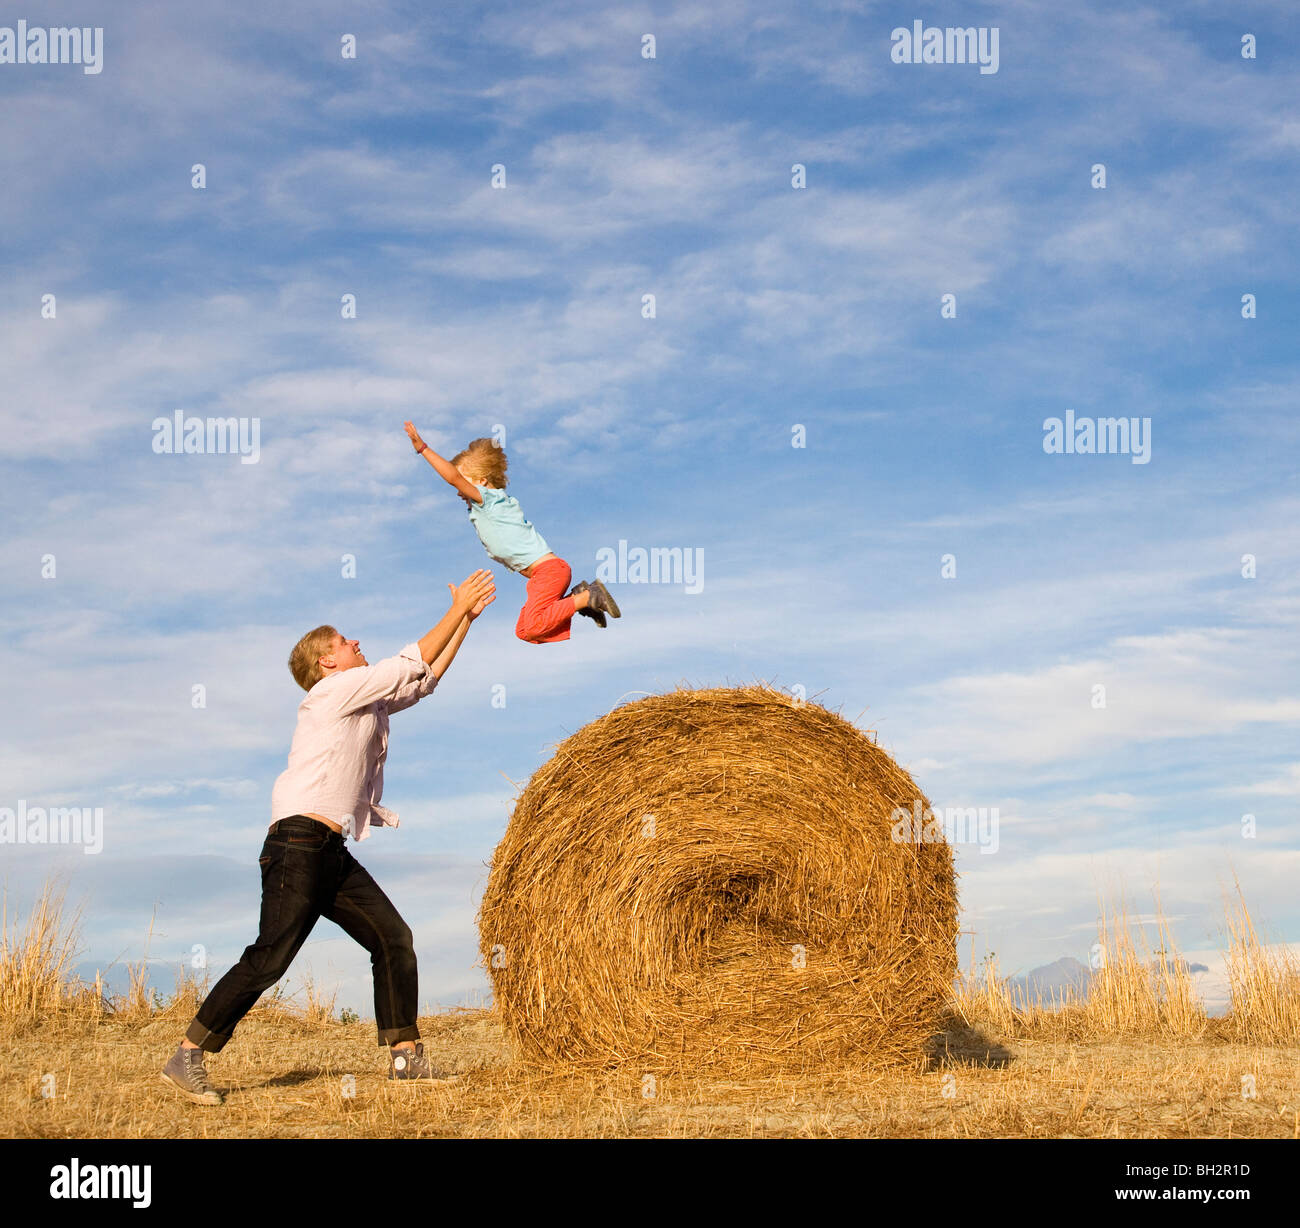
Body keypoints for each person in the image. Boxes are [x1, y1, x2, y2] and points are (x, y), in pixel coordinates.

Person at [161, 570, 496, 1105]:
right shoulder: (334, 692)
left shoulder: (362, 699)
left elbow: (422, 680)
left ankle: (406, 1058)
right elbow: (407, 661)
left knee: (392, 938)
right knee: (271, 957)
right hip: (298, 842)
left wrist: (466, 623)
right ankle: (188, 1055)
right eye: (345, 641)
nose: (357, 643)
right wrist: (456, 611)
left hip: (329, 849)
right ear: (327, 662)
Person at [403, 422, 620, 643]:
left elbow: (452, 477)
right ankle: (580, 597)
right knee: (524, 631)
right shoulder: (491, 504)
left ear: (482, 481)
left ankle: (587, 597)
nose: (459, 491)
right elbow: (456, 479)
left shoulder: (487, 499)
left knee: (534, 625)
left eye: (463, 483)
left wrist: (423, 448)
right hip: (543, 575)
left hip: (548, 572)